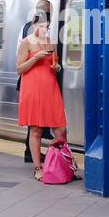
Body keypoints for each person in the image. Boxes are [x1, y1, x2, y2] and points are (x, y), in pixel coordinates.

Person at [17, 13, 69, 181]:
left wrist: (57, 68)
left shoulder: (50, 42)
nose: (44, 29)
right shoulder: (26, 43)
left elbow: (56, 64)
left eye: (47, 26)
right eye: (41, 26)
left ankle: (61, 164)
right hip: (33, 89)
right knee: (36, 130)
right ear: (34, 25)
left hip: (50, 87)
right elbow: (20, 69)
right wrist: (36, 58)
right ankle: (38, 168)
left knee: (61, 129)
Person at [20, 0, 54, 161]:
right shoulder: (30, 29)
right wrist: (37, 57)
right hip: (30, 80)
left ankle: (32, 151)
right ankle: (30, 152)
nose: (48, 14)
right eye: (45, 11)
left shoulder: (44, 30)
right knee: (34, 123)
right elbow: (21, 61)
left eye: (49, 12)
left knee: (37, 122)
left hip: (44, 80)